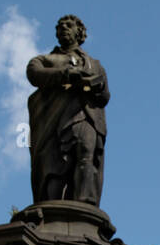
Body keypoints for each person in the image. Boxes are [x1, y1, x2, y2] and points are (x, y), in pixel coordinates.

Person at [26, 14, 109, 205]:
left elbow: (105, 96)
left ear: (79, 32)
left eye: (68, 25)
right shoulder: (45, 59)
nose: (63, 28)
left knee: (85, 154)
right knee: (54, 164)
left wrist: (95, 86)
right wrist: (67, 74)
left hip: (85, 116)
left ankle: (84, 203)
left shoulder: (94, 64)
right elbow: (34, 74)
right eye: (59, 26)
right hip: (53, 120)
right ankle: (52, 206)